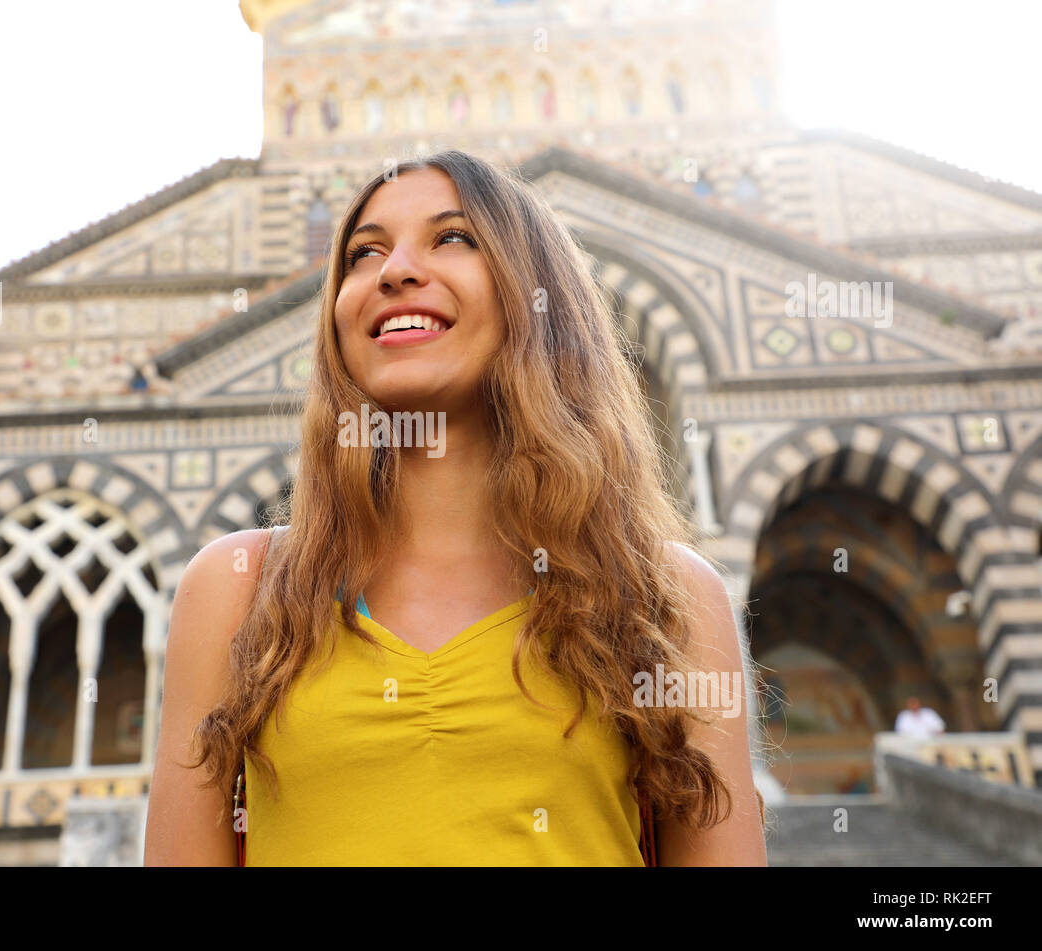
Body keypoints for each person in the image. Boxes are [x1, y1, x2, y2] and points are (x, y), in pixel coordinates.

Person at [144, 149, 767, 866]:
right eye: (361, 253)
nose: (394, 270)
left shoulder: (665, 597)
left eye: (454, 237)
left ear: (536, 301)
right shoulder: (238, 586)